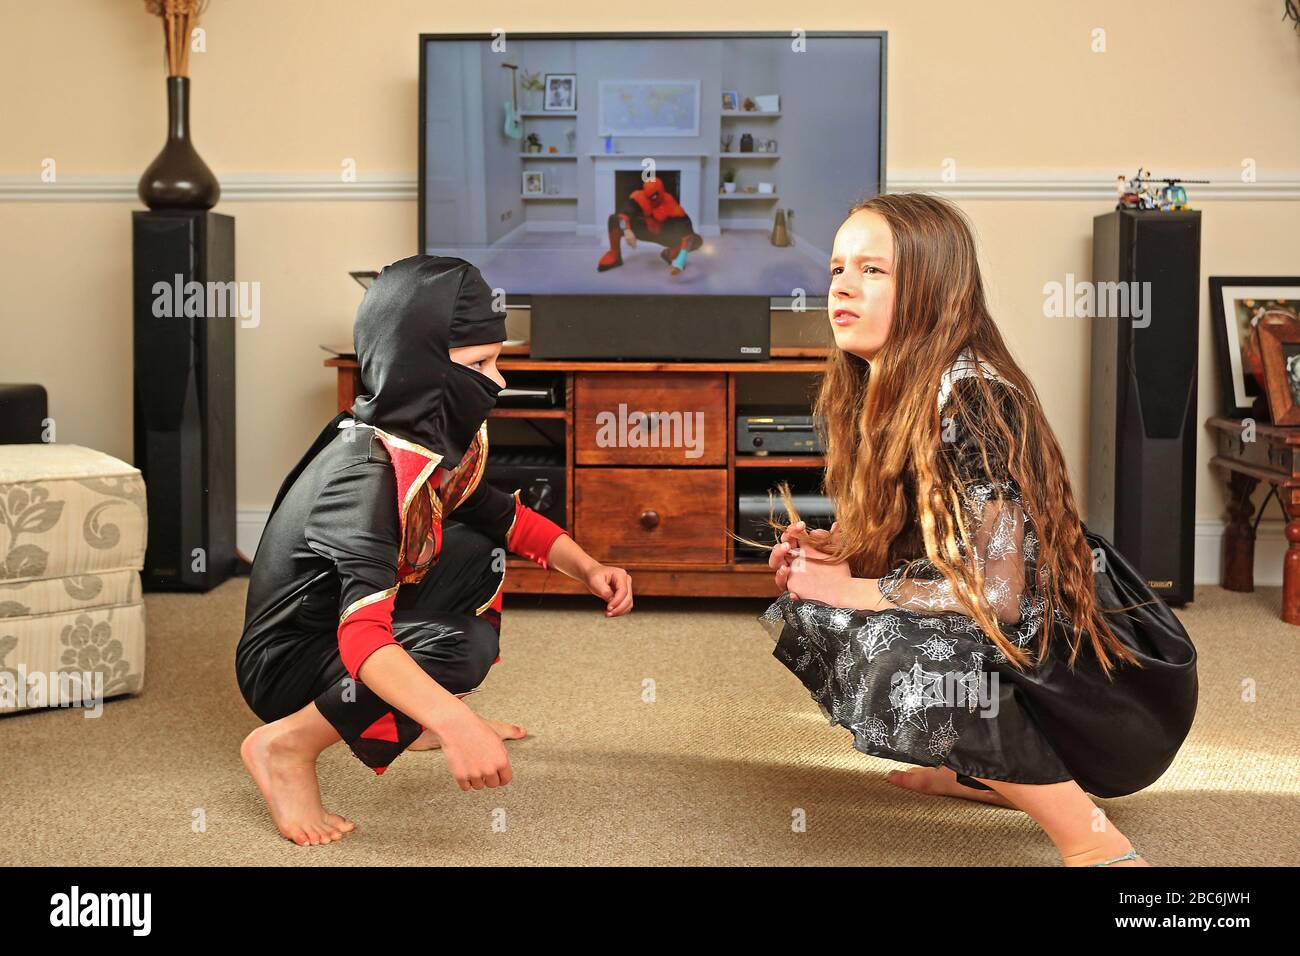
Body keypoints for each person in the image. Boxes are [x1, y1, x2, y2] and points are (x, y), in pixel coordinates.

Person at [749, 193, 1198, 867]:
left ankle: (1092, 841)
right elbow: (923, 539)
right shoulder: (890, 389)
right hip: (1036, 660)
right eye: (839, 267)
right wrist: (833, 553)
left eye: (874, 271)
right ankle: (984, 773)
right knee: (817, 612)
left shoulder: (975, 401)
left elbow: (1000, 597)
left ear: (933, 287)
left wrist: (856, 593)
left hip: (1110, 698)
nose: (842, 284)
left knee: (890, 649)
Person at [236, 254, 633, 846]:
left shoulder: (422, 442)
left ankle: (401, 714)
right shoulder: (364, 472)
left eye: (498, 361)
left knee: (476, 549)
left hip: (332, 627)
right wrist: (456, 721)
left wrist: (588, 567)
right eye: (480, 364)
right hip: (285, 662)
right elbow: (363, 637)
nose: (497, 382)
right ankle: (286, 746)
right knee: (457, 648)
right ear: (417, 365)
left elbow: (504, 517)